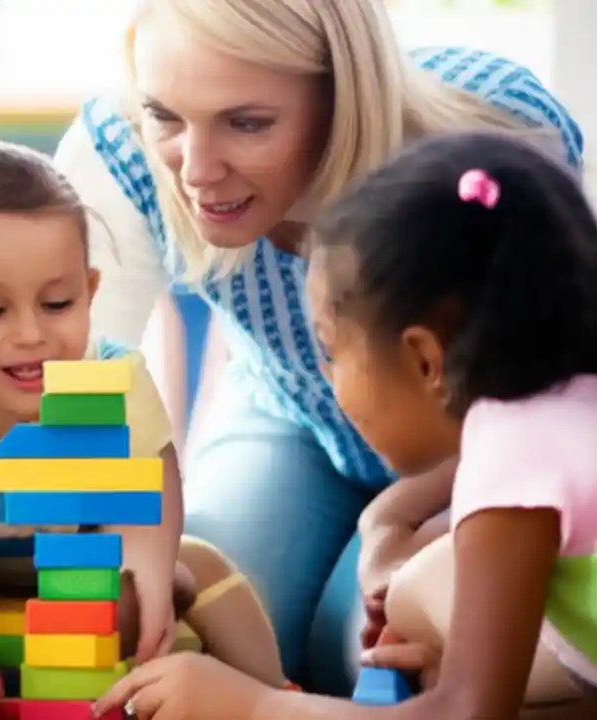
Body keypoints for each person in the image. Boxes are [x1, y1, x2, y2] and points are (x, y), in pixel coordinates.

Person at [53, 0, 585, 692]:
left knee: (371, 650)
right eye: (165, 116)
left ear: (342, 96)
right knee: (213, 616)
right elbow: (73, 395)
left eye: (247, 123)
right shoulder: (115, 156)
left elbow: (555, 398)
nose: (197, 172)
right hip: (290, 411)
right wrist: (117, 554)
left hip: (477, 442)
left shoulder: (493, 143)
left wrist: (408, 520)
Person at [0, 141, 288, 691]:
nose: (31, 335)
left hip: (83, 583)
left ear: (89, 294)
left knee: (190, 568)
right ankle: (9, 671)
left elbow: (153, 494)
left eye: (57, 303)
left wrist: (149, 581)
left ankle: (273, 695)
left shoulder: (117, 375)